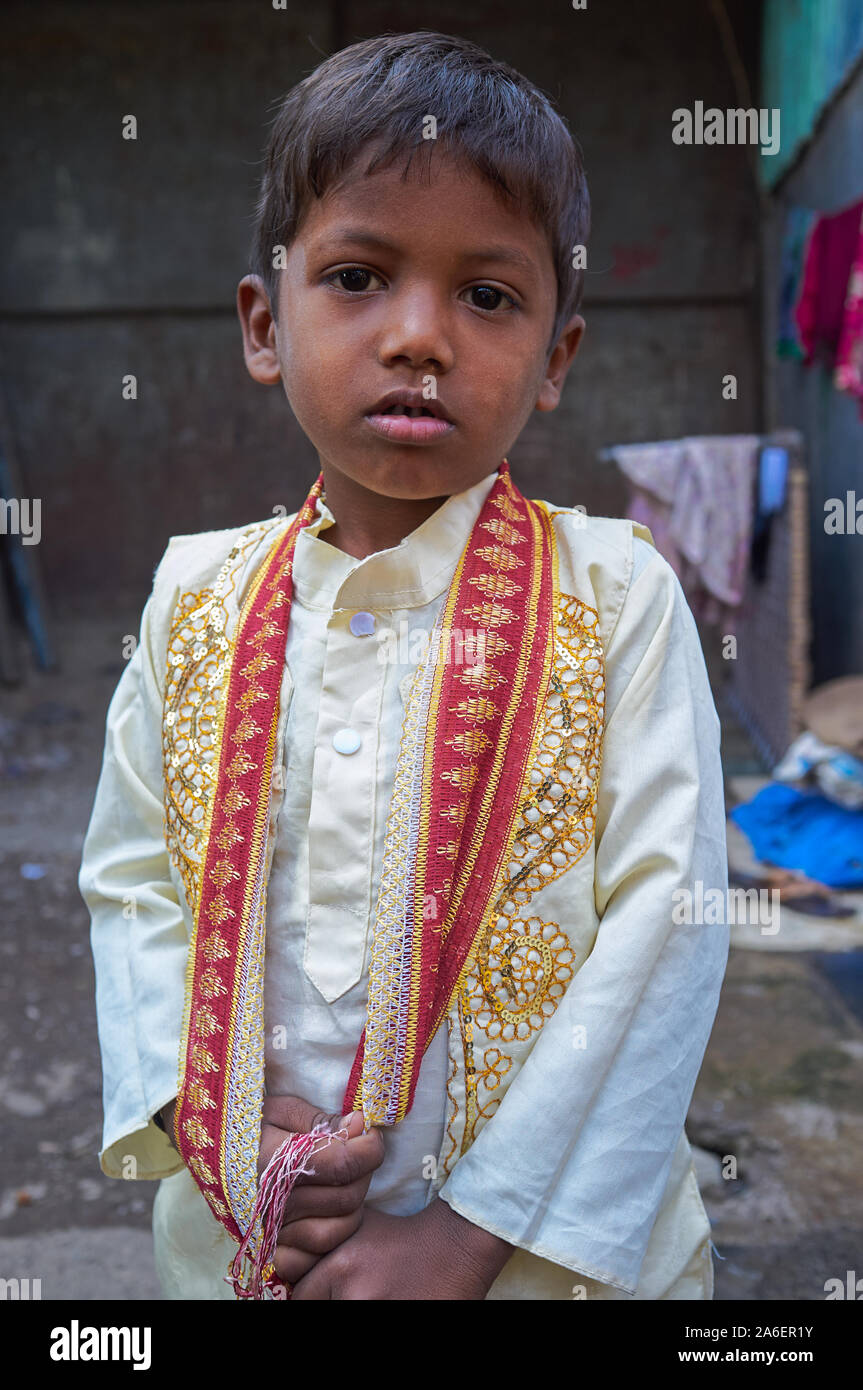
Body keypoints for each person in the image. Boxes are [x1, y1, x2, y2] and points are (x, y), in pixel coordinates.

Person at [78, 30, 728, 1301]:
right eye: (360, 275)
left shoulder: (616, 595)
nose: (420, 336)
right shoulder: (195, 596)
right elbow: (134, 880)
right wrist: (200, 1102)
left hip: (541, 1265)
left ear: (556, 358)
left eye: (486, 295)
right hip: (247, 1238)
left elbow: (664, 929)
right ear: (266, 325)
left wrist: (466, 1237)